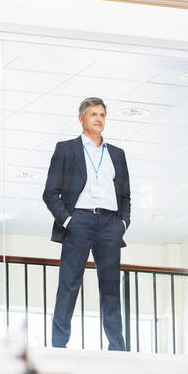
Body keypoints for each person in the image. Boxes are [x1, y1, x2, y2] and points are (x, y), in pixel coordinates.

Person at [42, 97, 132, 350]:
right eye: (93, 115)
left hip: (110, 223)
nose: (99, 119)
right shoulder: (66, 149)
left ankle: (117, 348)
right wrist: (69, 220)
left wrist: (122, 223)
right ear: (81, 119)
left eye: (102, 115)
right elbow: (50, 193)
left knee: (111, 287)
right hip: (78, 220)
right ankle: (59, 346)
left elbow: (125, 195)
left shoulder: (117, 154)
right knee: (69, 285)